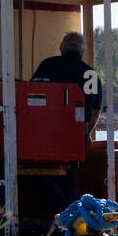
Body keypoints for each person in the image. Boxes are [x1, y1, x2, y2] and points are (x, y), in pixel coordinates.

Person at [31, 32, 103, 214]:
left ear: (61, 48)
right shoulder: (90, 75)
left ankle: (56, 212)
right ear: (83, 51)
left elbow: (31, 97)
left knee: (38, 172)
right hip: (75, 138)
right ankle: (68, 213)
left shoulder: (47, 66)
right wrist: (86, 133)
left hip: (44, 136)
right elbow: (95, 110)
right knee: (71, 171)